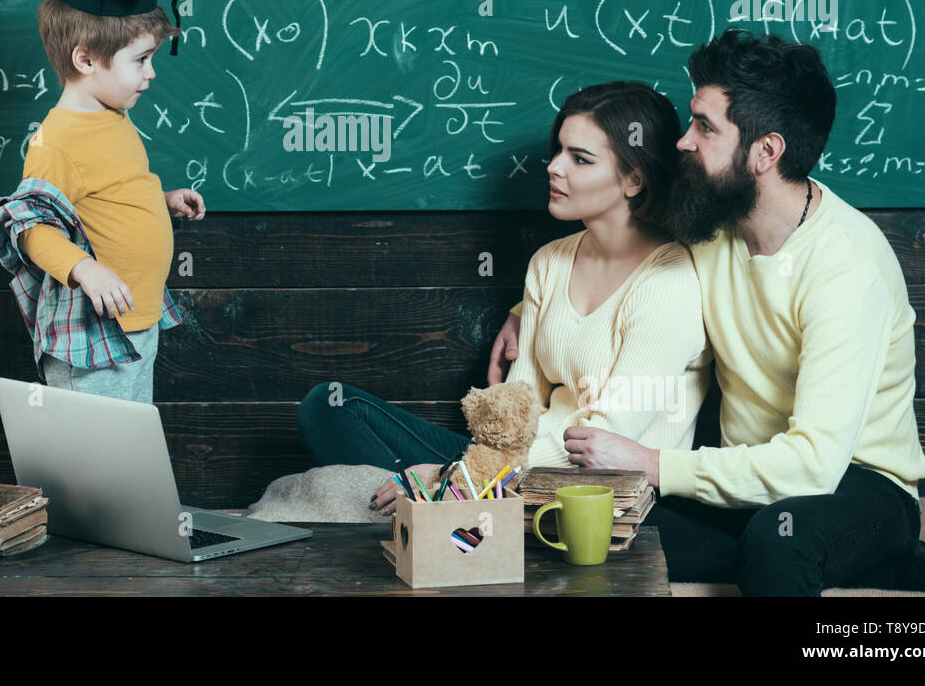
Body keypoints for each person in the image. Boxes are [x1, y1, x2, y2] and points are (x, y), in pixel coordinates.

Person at [564, 29, 925, 596]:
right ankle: (883, 566)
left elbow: (815, 465)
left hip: (857, 482)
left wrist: (654, 464)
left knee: (779, 543)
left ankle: (877, 548)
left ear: (766, 152)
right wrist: (526, 311)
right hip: (750, 479)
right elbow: (622, 254)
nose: (684, 142)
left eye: (706, 127)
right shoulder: (709, 217)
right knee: (608, 524)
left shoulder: (847, 266)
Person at [296, 82, 710, 513]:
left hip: (599, 496)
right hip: (516, 472)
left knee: (430, 488)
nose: (554, 167)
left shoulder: (668, 281)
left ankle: (445, 513)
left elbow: (605, 442)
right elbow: (518, 407)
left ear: (634, 179)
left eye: (580, 159)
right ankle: (448, 515)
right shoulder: (550, 261)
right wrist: (469, 470)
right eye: (559, 151)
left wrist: (454, 477)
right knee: (329, 405)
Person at [0, 0, 205, 404]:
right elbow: (28, 228)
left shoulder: (111, 116)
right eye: (141, 60)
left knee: (124, 446)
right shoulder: (58, 141)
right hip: (91, 338)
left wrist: (159, 200)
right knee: (91, 456)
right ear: (85, 61)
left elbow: (105, 191)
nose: (151, 74)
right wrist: (85, 269)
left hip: (135, 321)